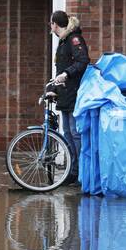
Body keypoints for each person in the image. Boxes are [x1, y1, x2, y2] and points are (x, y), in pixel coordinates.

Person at [50, 11, 90, 184]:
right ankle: (72, 171)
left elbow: (82, 61)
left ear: (55, 24)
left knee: (75, 133)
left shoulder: (74, 39)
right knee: (67, 133)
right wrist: (54, 88)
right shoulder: (63, 42)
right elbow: (61, 70)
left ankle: (81, 172)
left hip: (74, 93)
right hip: (65, 95)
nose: (50, 27)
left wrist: (67, 73)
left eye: (50, 24)